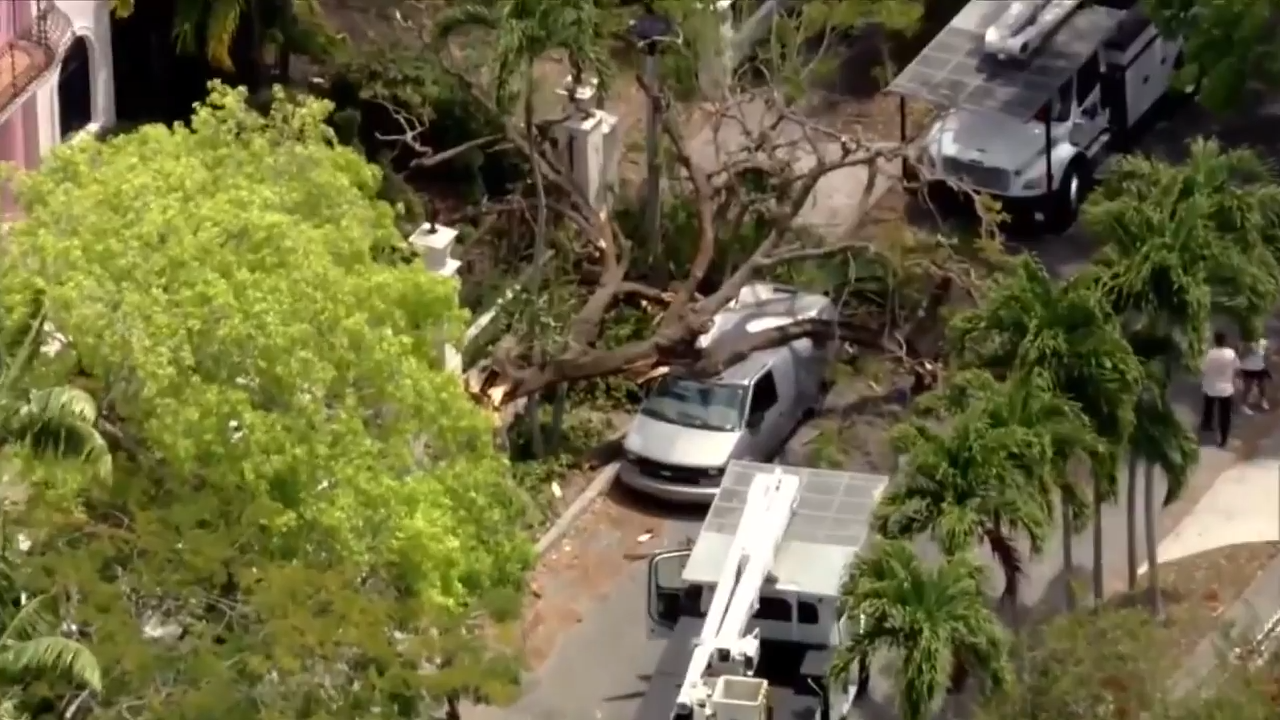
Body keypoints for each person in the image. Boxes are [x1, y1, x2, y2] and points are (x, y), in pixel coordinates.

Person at [1200, 331, 1240, 448]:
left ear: (1214, 340)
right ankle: (1223, 438)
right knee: (1225, 415)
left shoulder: (1209, 353)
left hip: (1210, 386)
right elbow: (1237, 367)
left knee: (1209, 404)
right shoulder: (1231, 353)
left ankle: (1207, 424)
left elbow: (1203, 368)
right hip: (1226, 388)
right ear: (1225, 340)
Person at [1240, 335, 1271, 413]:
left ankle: (1263, 400)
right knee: (1248, 387)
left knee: (1262, 386)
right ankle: (1243, 405)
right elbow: (1240, 356)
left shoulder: (1263, 341)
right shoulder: (1245, 342)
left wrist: (1266, 363)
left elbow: (1267, 354)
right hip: (1248, 368)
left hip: (1260, 368)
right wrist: (1248, 350)